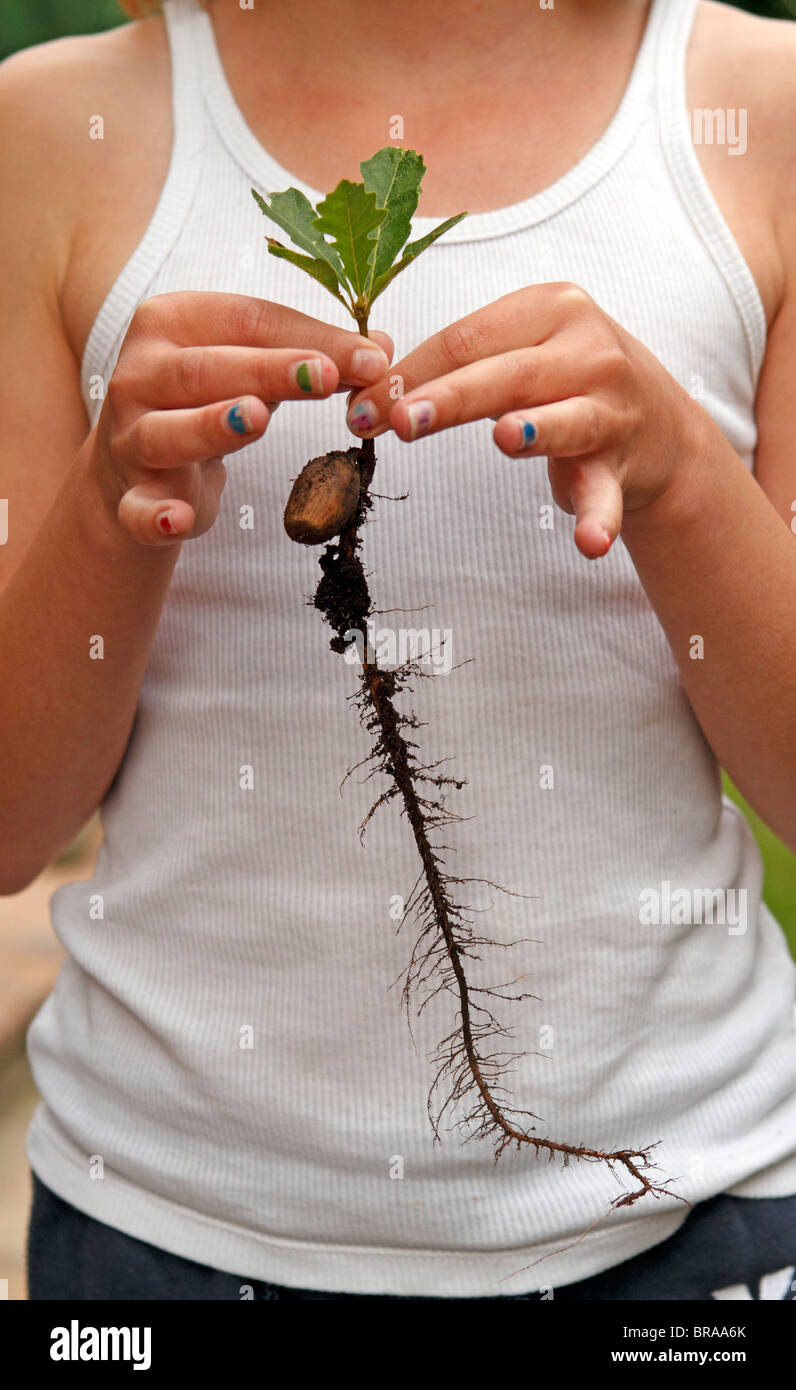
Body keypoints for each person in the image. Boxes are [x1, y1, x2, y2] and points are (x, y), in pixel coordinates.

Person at [2, 0, 795, 1301]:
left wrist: (681, 480)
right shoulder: (48, 131)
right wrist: (109, 506)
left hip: (695, 1218)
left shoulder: (764, 112)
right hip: (167, 1234)